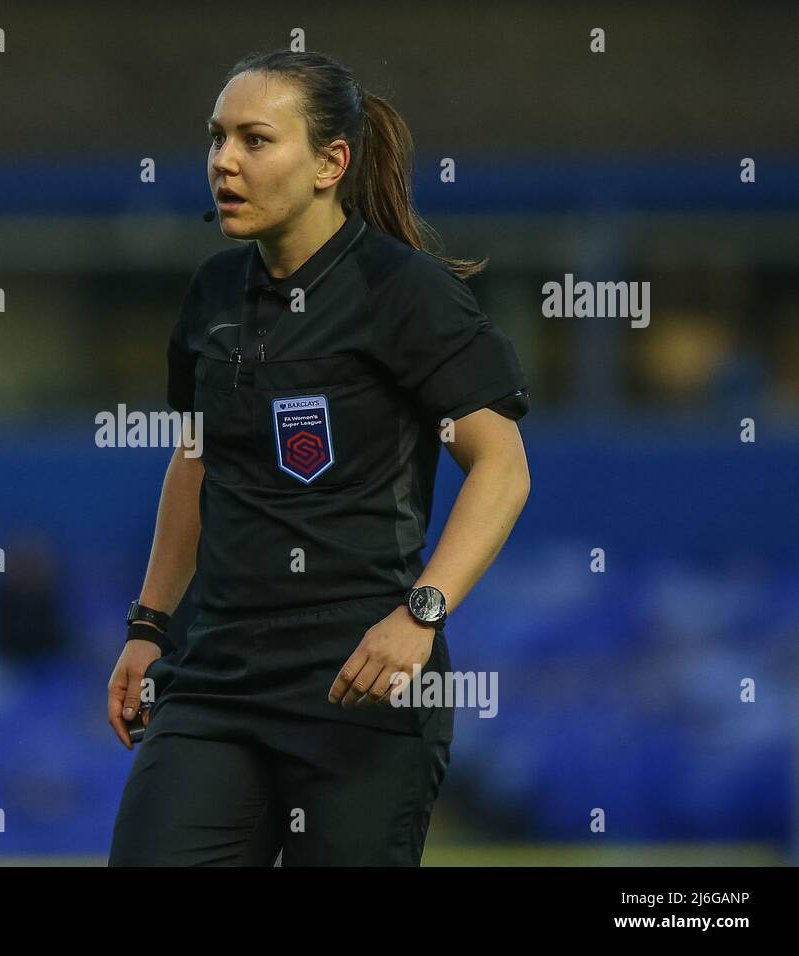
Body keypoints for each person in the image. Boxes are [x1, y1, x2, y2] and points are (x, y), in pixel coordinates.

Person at [107, 49, 531, 866]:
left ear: (330, 163)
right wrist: (149, 626)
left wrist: (422, 614)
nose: (224, 161)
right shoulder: (212, 295)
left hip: (362, 683)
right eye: (217, 137)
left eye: (256, 139)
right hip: (216, 676)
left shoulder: (404, 292)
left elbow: (502, 466)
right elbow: (194, 464)